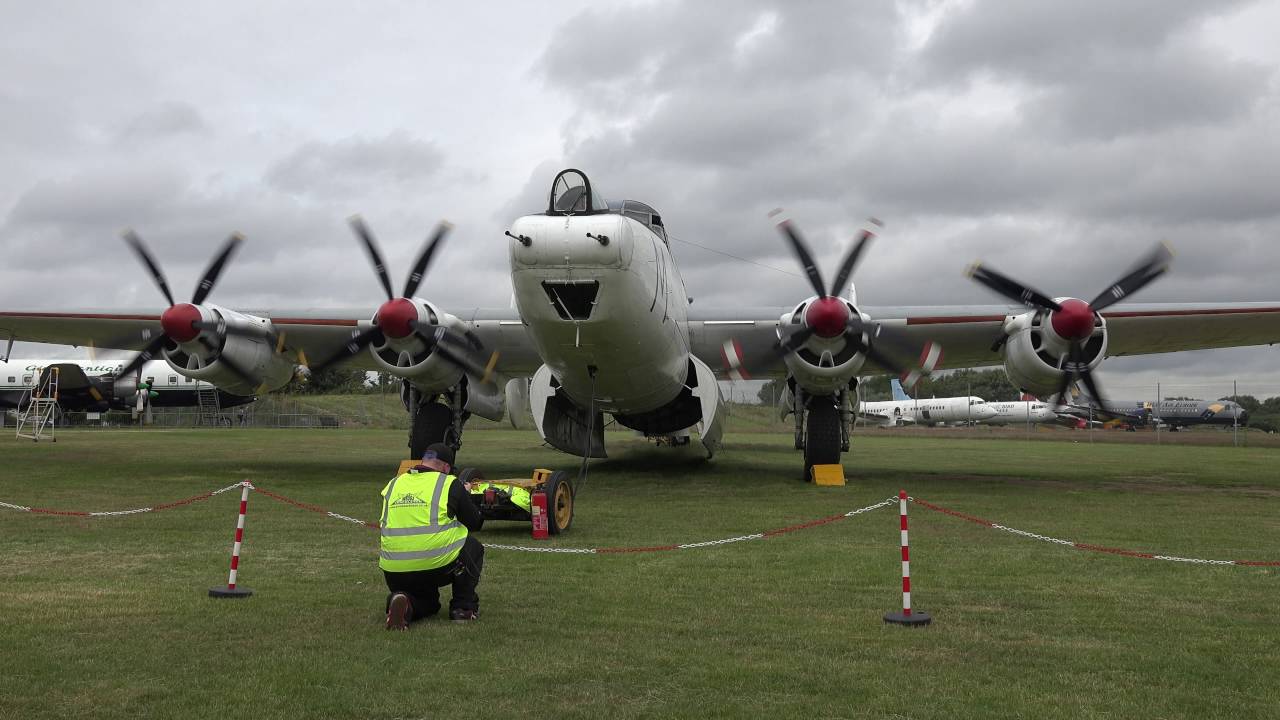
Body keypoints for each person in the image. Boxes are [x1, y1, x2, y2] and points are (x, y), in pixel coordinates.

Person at [381, 442, 484, 630]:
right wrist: (467, 495)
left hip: (394, 569)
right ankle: (463, 608)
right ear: (446, 467)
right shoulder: (448, 482)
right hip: (436, 565)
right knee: (474, 547)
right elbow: (474, 522)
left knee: (429, 603)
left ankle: (403, 602)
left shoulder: (394, 484)